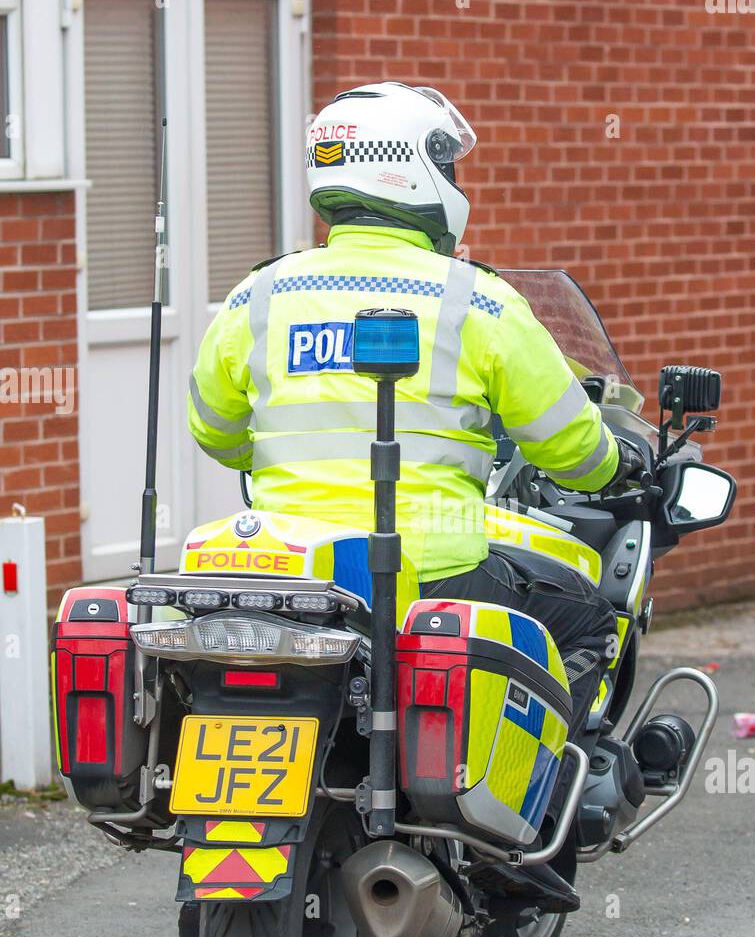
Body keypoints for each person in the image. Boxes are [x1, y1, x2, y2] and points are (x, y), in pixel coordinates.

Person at [188, 81, 645, 741]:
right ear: (412, 170)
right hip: (435, 569)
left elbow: (213, 428)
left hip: (290, 574)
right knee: (587, 622)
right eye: (448, 164)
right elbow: (567, 445)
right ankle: (511, 780)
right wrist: (615, 463)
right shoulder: (476, 301)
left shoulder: (258, 295)